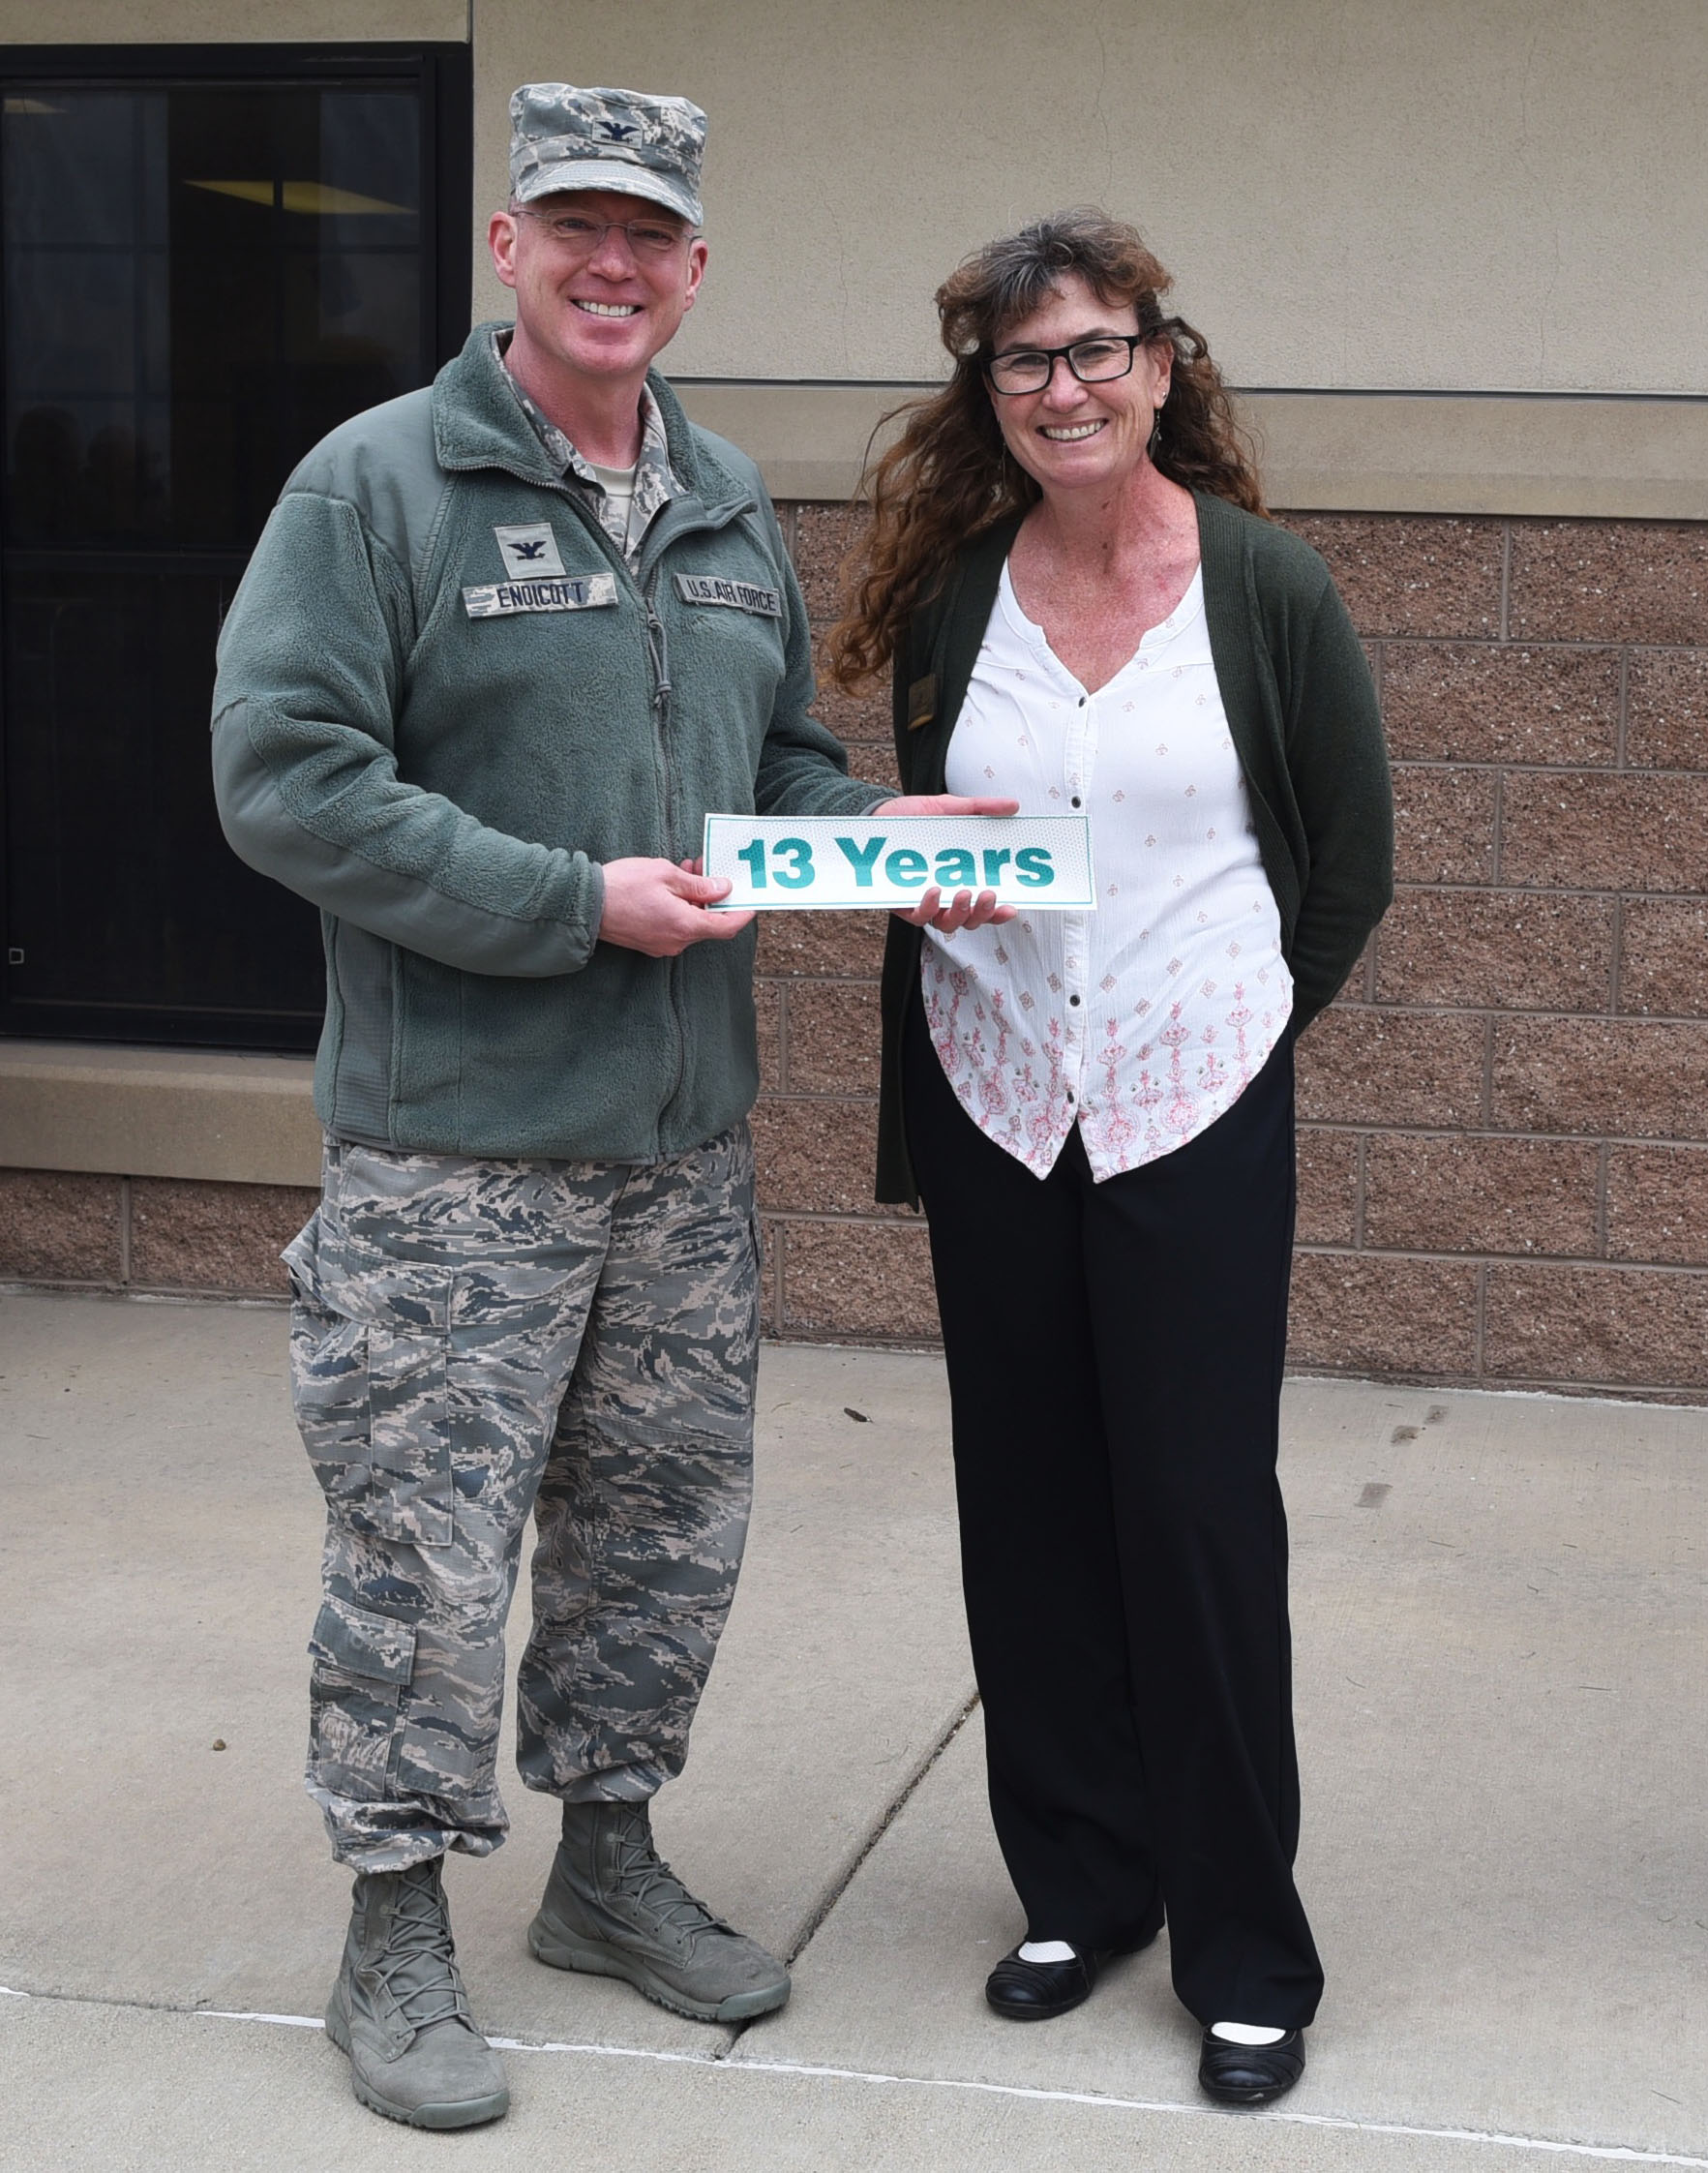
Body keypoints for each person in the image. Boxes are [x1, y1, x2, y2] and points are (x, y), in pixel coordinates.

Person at [211, 84, 1006, 2130]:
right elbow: (288, 777)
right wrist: (570, 905)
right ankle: (394, 1926)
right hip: (451, 1154)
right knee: (424, 1554)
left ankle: (607, 1868)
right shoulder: (377, 486)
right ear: (509, 247)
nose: (613, 264)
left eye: (649, 235)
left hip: (680, 1156)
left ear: (695, 269)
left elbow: (779, 778)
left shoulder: (728, 500)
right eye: (576, 224)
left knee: (659, 1537)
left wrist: (887, 836)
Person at [826, 211, 1393, 2108]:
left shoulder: (1268, 590)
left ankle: (1246, 1944)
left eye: (1094, 352)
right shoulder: (952, 604)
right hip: (996, 1100)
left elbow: (1346, 873)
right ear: (987, 398)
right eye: (1022, 362)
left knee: (1199, 1520)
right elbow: (912, 837)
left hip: (1193, 1103)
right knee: (1034, 1504)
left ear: (1161, 364)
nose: (1062, 388)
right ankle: (1084, 1878)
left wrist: (1225, 1028)